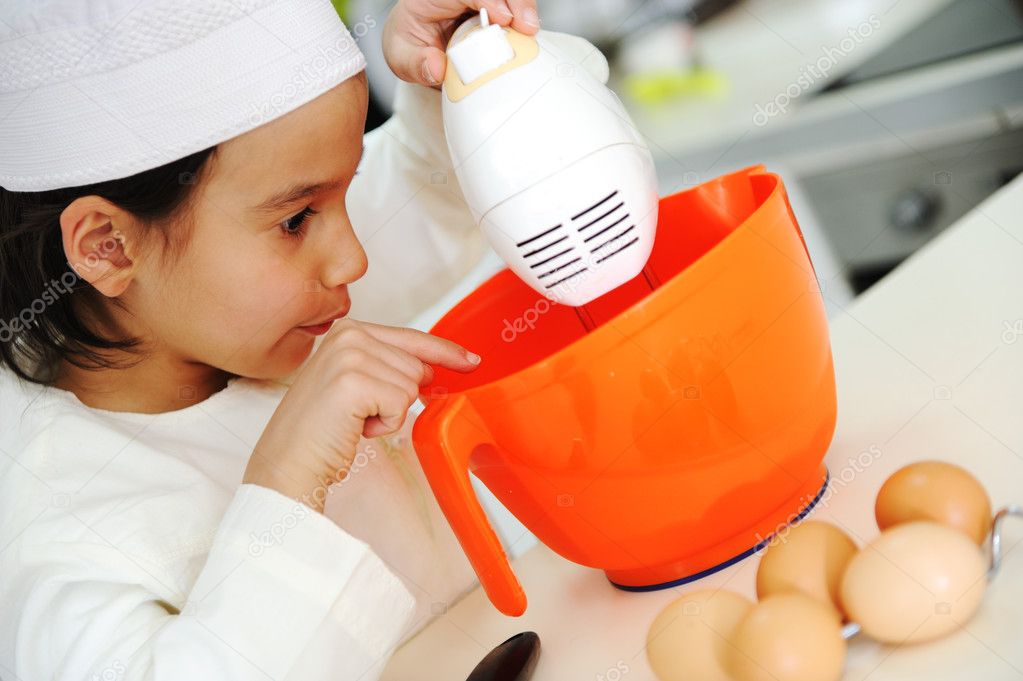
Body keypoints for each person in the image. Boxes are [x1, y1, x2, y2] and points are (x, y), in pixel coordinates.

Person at [0, 0, 545, 678]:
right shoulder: (51, 527)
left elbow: (418, 187)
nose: (352, 260)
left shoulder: (226, 308)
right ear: (108, 246)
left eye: (345, 192)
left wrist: (454, 70)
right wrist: (286, 483)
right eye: (296, 218)